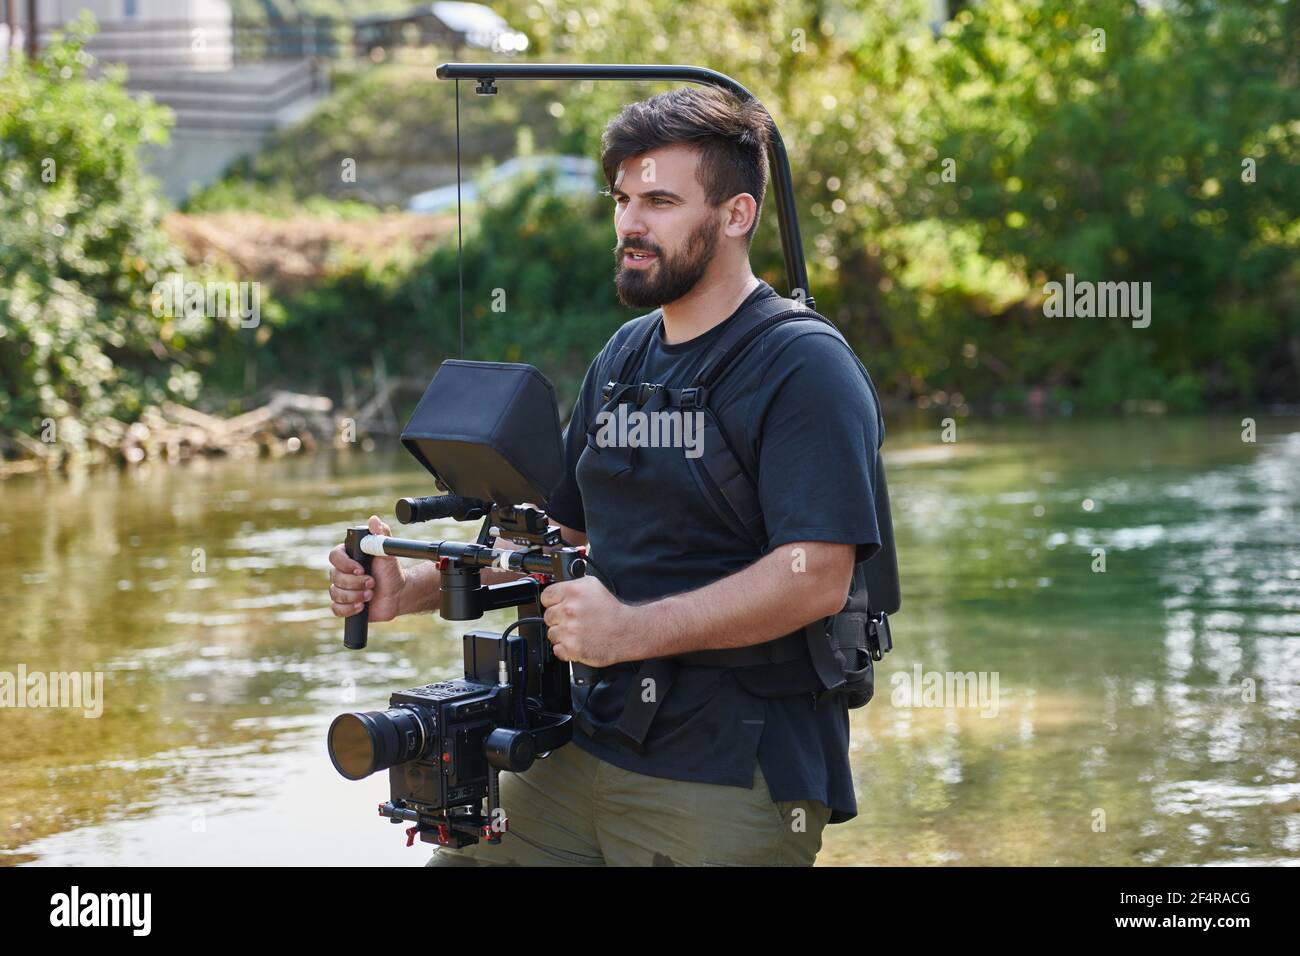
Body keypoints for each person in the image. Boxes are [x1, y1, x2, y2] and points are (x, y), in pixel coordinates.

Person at [328, 86, 885, 866]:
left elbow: (816, 577)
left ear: (736, 215)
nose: (629, 223)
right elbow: (560, 536)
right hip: (590, 735)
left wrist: (629, 630)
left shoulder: (804, 366)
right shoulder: (624, 357)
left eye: (659, 200)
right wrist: (413, 588)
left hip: (730, 760)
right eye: (622, 198)